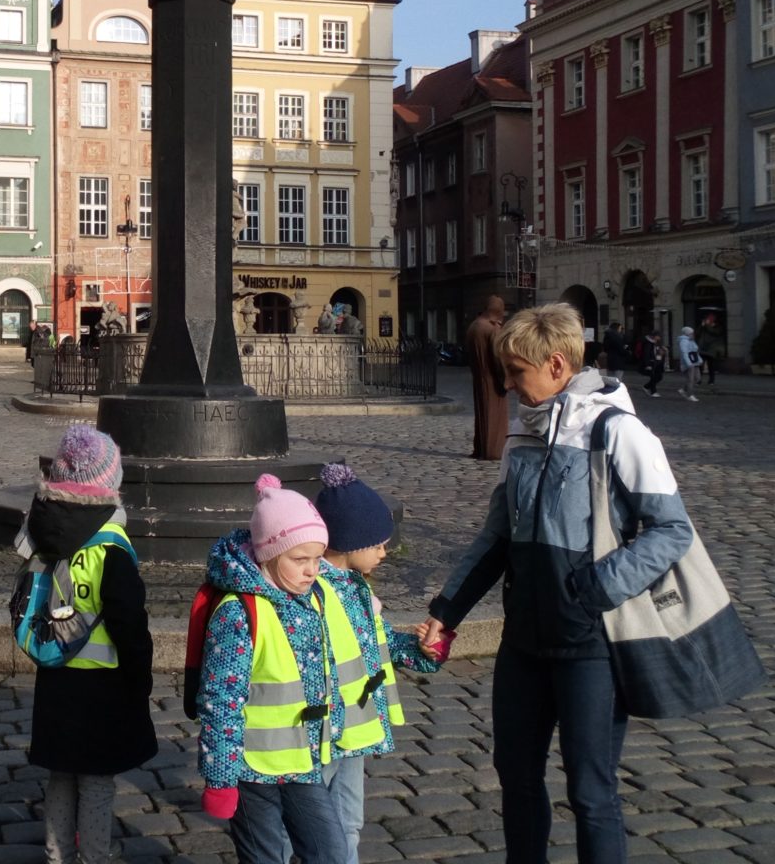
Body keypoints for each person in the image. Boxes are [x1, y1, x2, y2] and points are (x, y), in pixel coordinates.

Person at [419, 304, 695, 864]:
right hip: (522, 642)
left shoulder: (620, 433)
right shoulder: (524, 437)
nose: (507, 384)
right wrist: (446, 610)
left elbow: (672, 531)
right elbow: (496, 538)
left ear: (554, 363)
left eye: (516, 372)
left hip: (589, 647)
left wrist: (592, 590)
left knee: (591, 791)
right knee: (515, 778)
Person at [21, 427, 156, 864]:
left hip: (55, 672)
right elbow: (128, 622)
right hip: (102, 684)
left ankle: (56, 856)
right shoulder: (111, 547)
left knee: (61, 775)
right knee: (96, 781)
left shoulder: (45, 533)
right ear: (110, 485)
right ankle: (95, 856)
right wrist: (141, 676)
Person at [195, 476, 348, 864]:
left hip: (300, 762)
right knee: (263, 857)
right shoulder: (238, 612)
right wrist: (221, 778)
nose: (313, 570)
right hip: (250, 770)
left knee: (329, 851)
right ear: (268, 554)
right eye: (300, 560)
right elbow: (220, 700)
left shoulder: (310, 596)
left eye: (318, 558)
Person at [313, 464, 441, 864]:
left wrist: (420, 649)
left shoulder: (357, 587)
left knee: (349, 817)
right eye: (378, 544)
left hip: (356, 725)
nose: (384, 553)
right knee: (315, 817)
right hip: (326, 731)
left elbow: (379, 642)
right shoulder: (313, 592)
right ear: (349, 542)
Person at [465, 295, 509, 460]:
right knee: (494, 415)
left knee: (481, 413)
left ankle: (481, 448)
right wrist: (505, 379)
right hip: (492, 378)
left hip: (479, 376)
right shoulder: (492, 329)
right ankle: (493, 450)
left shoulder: (474, 326)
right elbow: (498, 358)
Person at [674, 327, 703, 402]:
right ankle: (690, 395)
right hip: (688, 363)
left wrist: (699, 360)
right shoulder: (683, 341)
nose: (693, 334)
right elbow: (684, 353)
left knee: (698, 378)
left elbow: (695, 351)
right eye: (691, 333)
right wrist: (688, 363)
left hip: (695, 361)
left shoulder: (691, 340)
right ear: (687, 333)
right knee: (690, 379)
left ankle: (683, 390)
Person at [637, 331, 668, 398]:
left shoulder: (657, 342)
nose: (659, 338)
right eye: (658, 336)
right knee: (654, 376)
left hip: (657, 361)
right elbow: (646, 354)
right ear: (655, 336)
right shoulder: (648, 343)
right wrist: (647, 364)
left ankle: (647, 387)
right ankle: (653, 391)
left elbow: (658, 350)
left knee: (658, 376)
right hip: (652, 362)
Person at [697, 314, 724, 384]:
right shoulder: (704, 327)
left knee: (711, 366)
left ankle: (711, 380)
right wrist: (701, 326)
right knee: (700, 365)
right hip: (702, 348)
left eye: (709, 320)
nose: (707, 321)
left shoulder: (717, 327)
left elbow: (714, 332)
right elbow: (697, 333)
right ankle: (698, 380)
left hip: (711, 349)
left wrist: (707, 325)